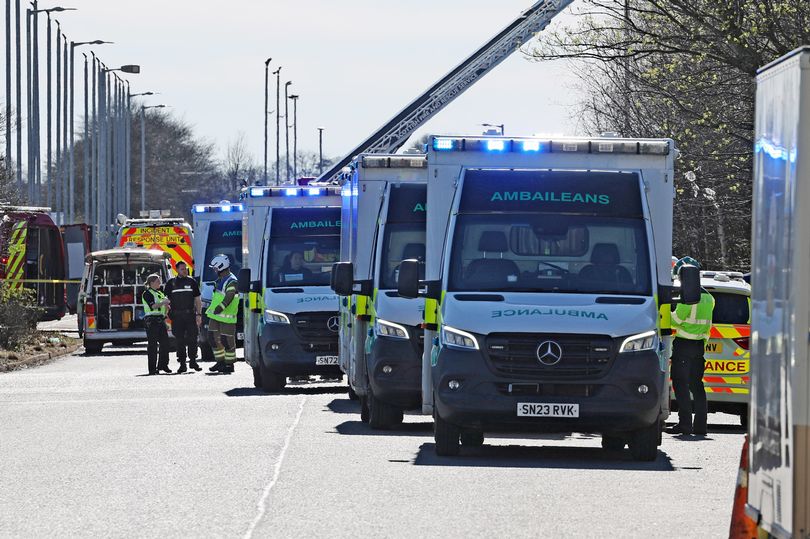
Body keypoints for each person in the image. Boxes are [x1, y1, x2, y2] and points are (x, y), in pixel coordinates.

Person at [668, 256, 715, 436]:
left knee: (680, 384)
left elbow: (677, 319)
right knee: (697, 385)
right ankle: (701, 426)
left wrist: (663, 314)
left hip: (684, 345)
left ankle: (685, 425)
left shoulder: (687, 297)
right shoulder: (709, 298)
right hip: (699, 346)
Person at [164, 261, 202, 373]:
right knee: (179, 340)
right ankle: (182, 364)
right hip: (177, 316)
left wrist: (199, 314)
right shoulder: (171, 283)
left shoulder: (192, 281)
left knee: (193, 338)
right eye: (182, 269)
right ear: (177, 270)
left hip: (190, 315)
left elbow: (197, 300)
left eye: (185, 268)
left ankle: (193, 361)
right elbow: (166, 301)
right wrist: (166, 314)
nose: (185, 270)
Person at [206, 254, 239, 375]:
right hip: (215, 315)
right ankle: (220, 362)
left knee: (227, 340)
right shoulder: (220, 280)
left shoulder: (232, 281)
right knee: (212, 338)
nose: (214, 270)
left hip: (226, 316)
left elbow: (230, 296)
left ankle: (229, 364)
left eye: (215, 268)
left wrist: (220, 307)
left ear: (221, 266)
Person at [142, 274, 172, 375]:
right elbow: (153, 306)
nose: (160, 283)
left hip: (160, 319)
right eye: (158, 281)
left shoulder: (160, 293)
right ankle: (152, 368)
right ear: (151, 283)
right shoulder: (147, 293)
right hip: (151, 321)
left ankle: (163, 365)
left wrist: (166, 307)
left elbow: (163, 306)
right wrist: (164, 302)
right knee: (153, 345)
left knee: (165, 343)